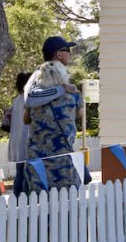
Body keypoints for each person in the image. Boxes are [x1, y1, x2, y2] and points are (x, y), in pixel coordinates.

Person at [22, 36, 83, 190]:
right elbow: (30, 98)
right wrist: (62, 89)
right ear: (59, 54)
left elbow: (26, 117)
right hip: (60, 161)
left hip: (38, 161)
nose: (70, 54)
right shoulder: (39, 73)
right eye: (67, 50)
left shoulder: (54, 80)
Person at [5, 71, 32, 191]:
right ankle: (24, 197)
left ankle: (17, 198)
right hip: (26, 140)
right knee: (27, 175)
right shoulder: (30, 99)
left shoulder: (16, 101)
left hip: (16, 141)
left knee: (19, 173)